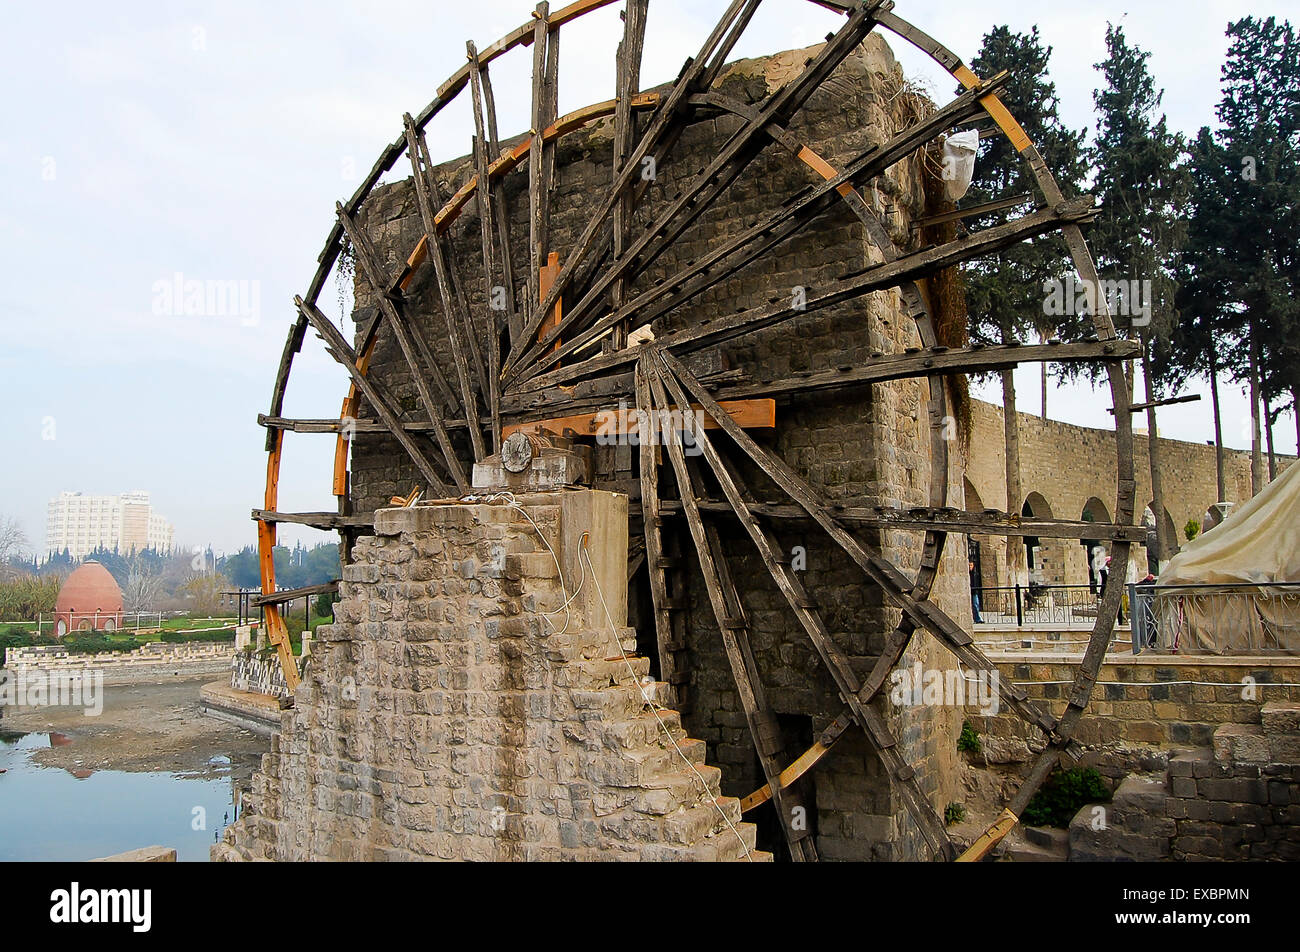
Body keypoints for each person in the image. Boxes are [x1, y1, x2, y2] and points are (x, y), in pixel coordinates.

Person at [968, 559, 984, 624]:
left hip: (974, 592)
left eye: (971, 565)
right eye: (969, 565)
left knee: (975, 605)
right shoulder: (968, 574)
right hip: (970, 591)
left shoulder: (975, 574)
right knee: (974, 605)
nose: (970, 567)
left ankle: (977, 619)